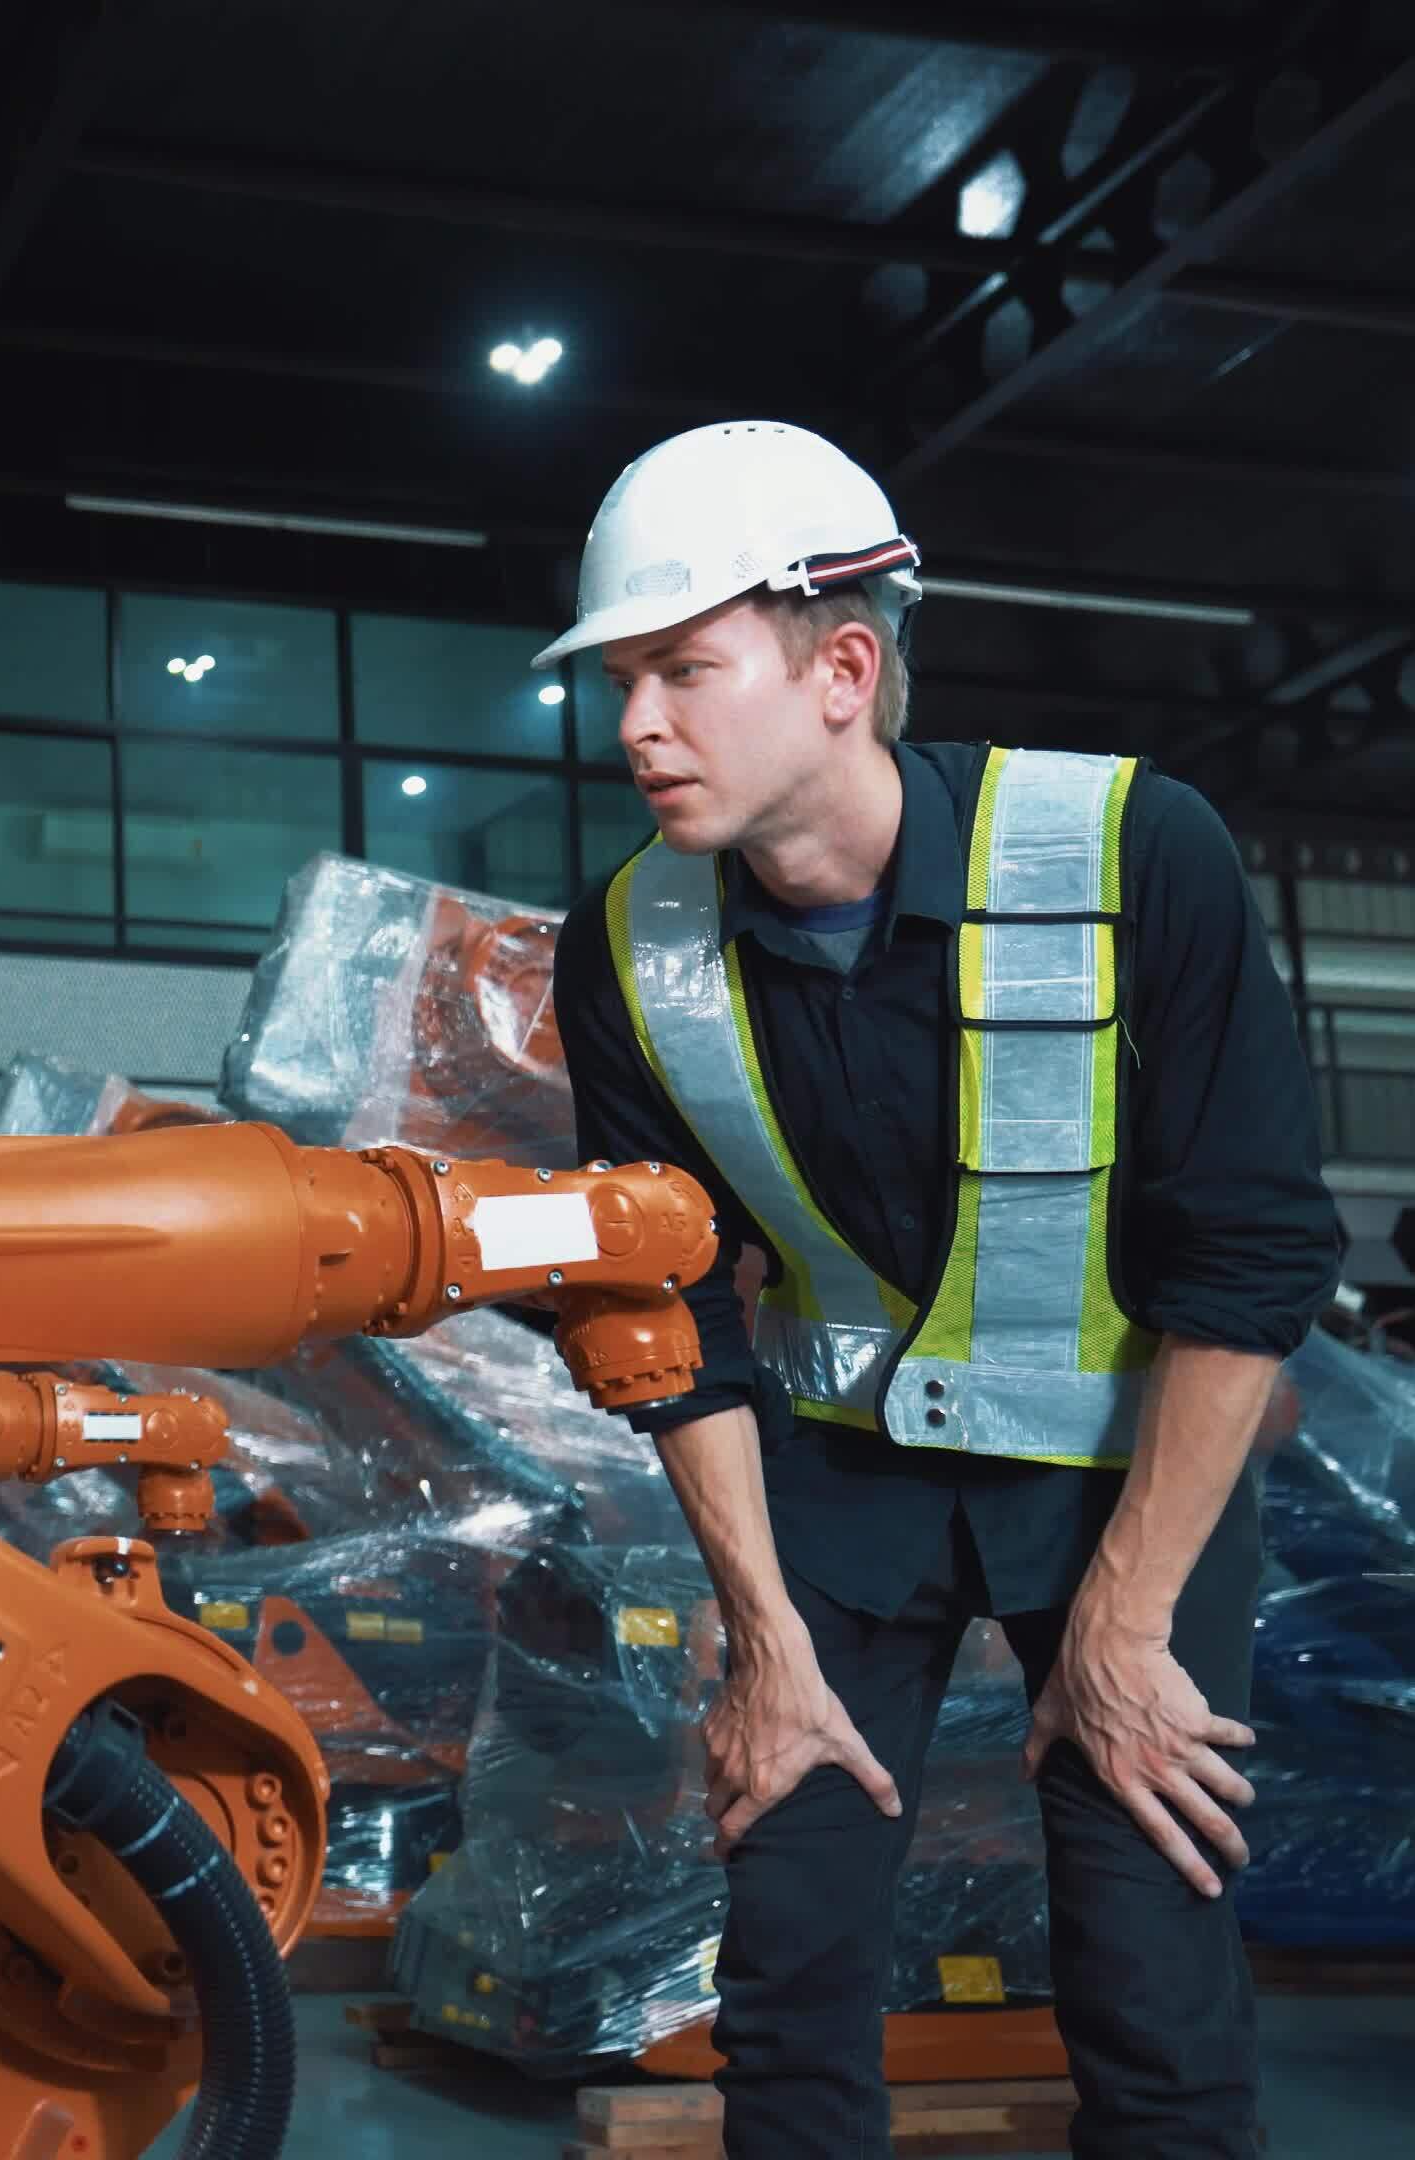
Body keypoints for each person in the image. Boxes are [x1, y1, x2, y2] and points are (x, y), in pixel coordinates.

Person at [538, 420, 1341, 2159]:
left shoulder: (1140, 854)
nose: (636, 730)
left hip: (1137, 1481)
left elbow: (1253, 1261)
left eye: (683, 671)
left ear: (843, 669)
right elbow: (652, 1310)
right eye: (619, 683)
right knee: (790, 1966)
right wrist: (760, 1634)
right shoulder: (624, 947)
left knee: (1152, 1968)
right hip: (836, 1489)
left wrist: (1126, 1629)